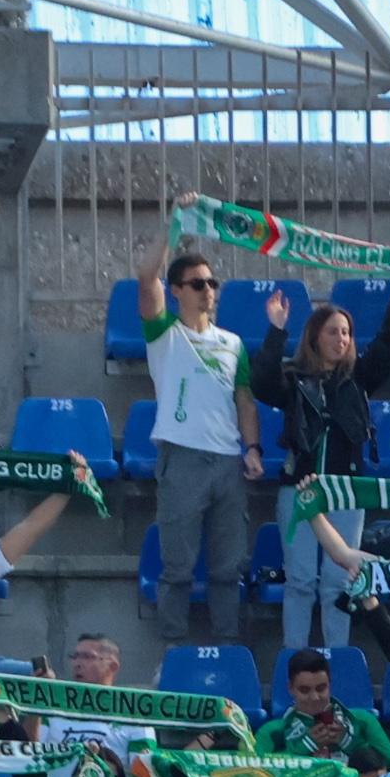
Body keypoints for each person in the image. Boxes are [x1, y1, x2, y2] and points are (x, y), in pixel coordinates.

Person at [140, 213, 263, 643]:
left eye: (212, 284)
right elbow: (146, 275)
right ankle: (173, 654)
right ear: (177, 291)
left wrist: (252, 448)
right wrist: (172, 226)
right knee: (178, 567)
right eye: (197, 284)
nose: (208, 291)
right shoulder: (164, 334)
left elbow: (243, 399)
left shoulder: (233, 343)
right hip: (182, 458)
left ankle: (228, 650)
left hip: (229, 462)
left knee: (229, 568)